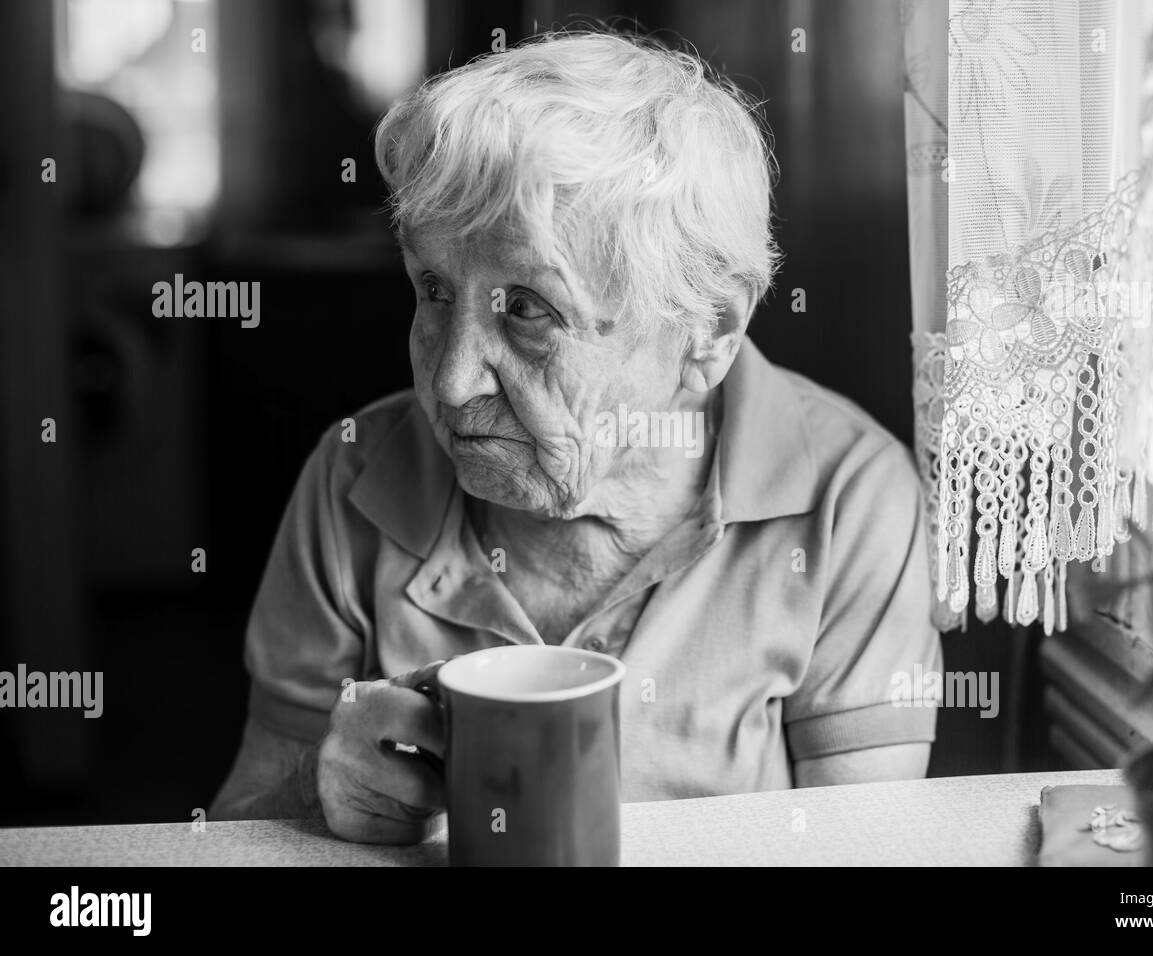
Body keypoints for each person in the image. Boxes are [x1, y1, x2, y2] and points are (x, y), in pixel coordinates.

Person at [211, 29, 941, 844]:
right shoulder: (355, 477)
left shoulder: (849, 500)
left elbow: (862, 853)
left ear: (707, 334)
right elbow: (236, 831)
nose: (451, 385)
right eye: (433, 289)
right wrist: (317, 792)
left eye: (529, 308)